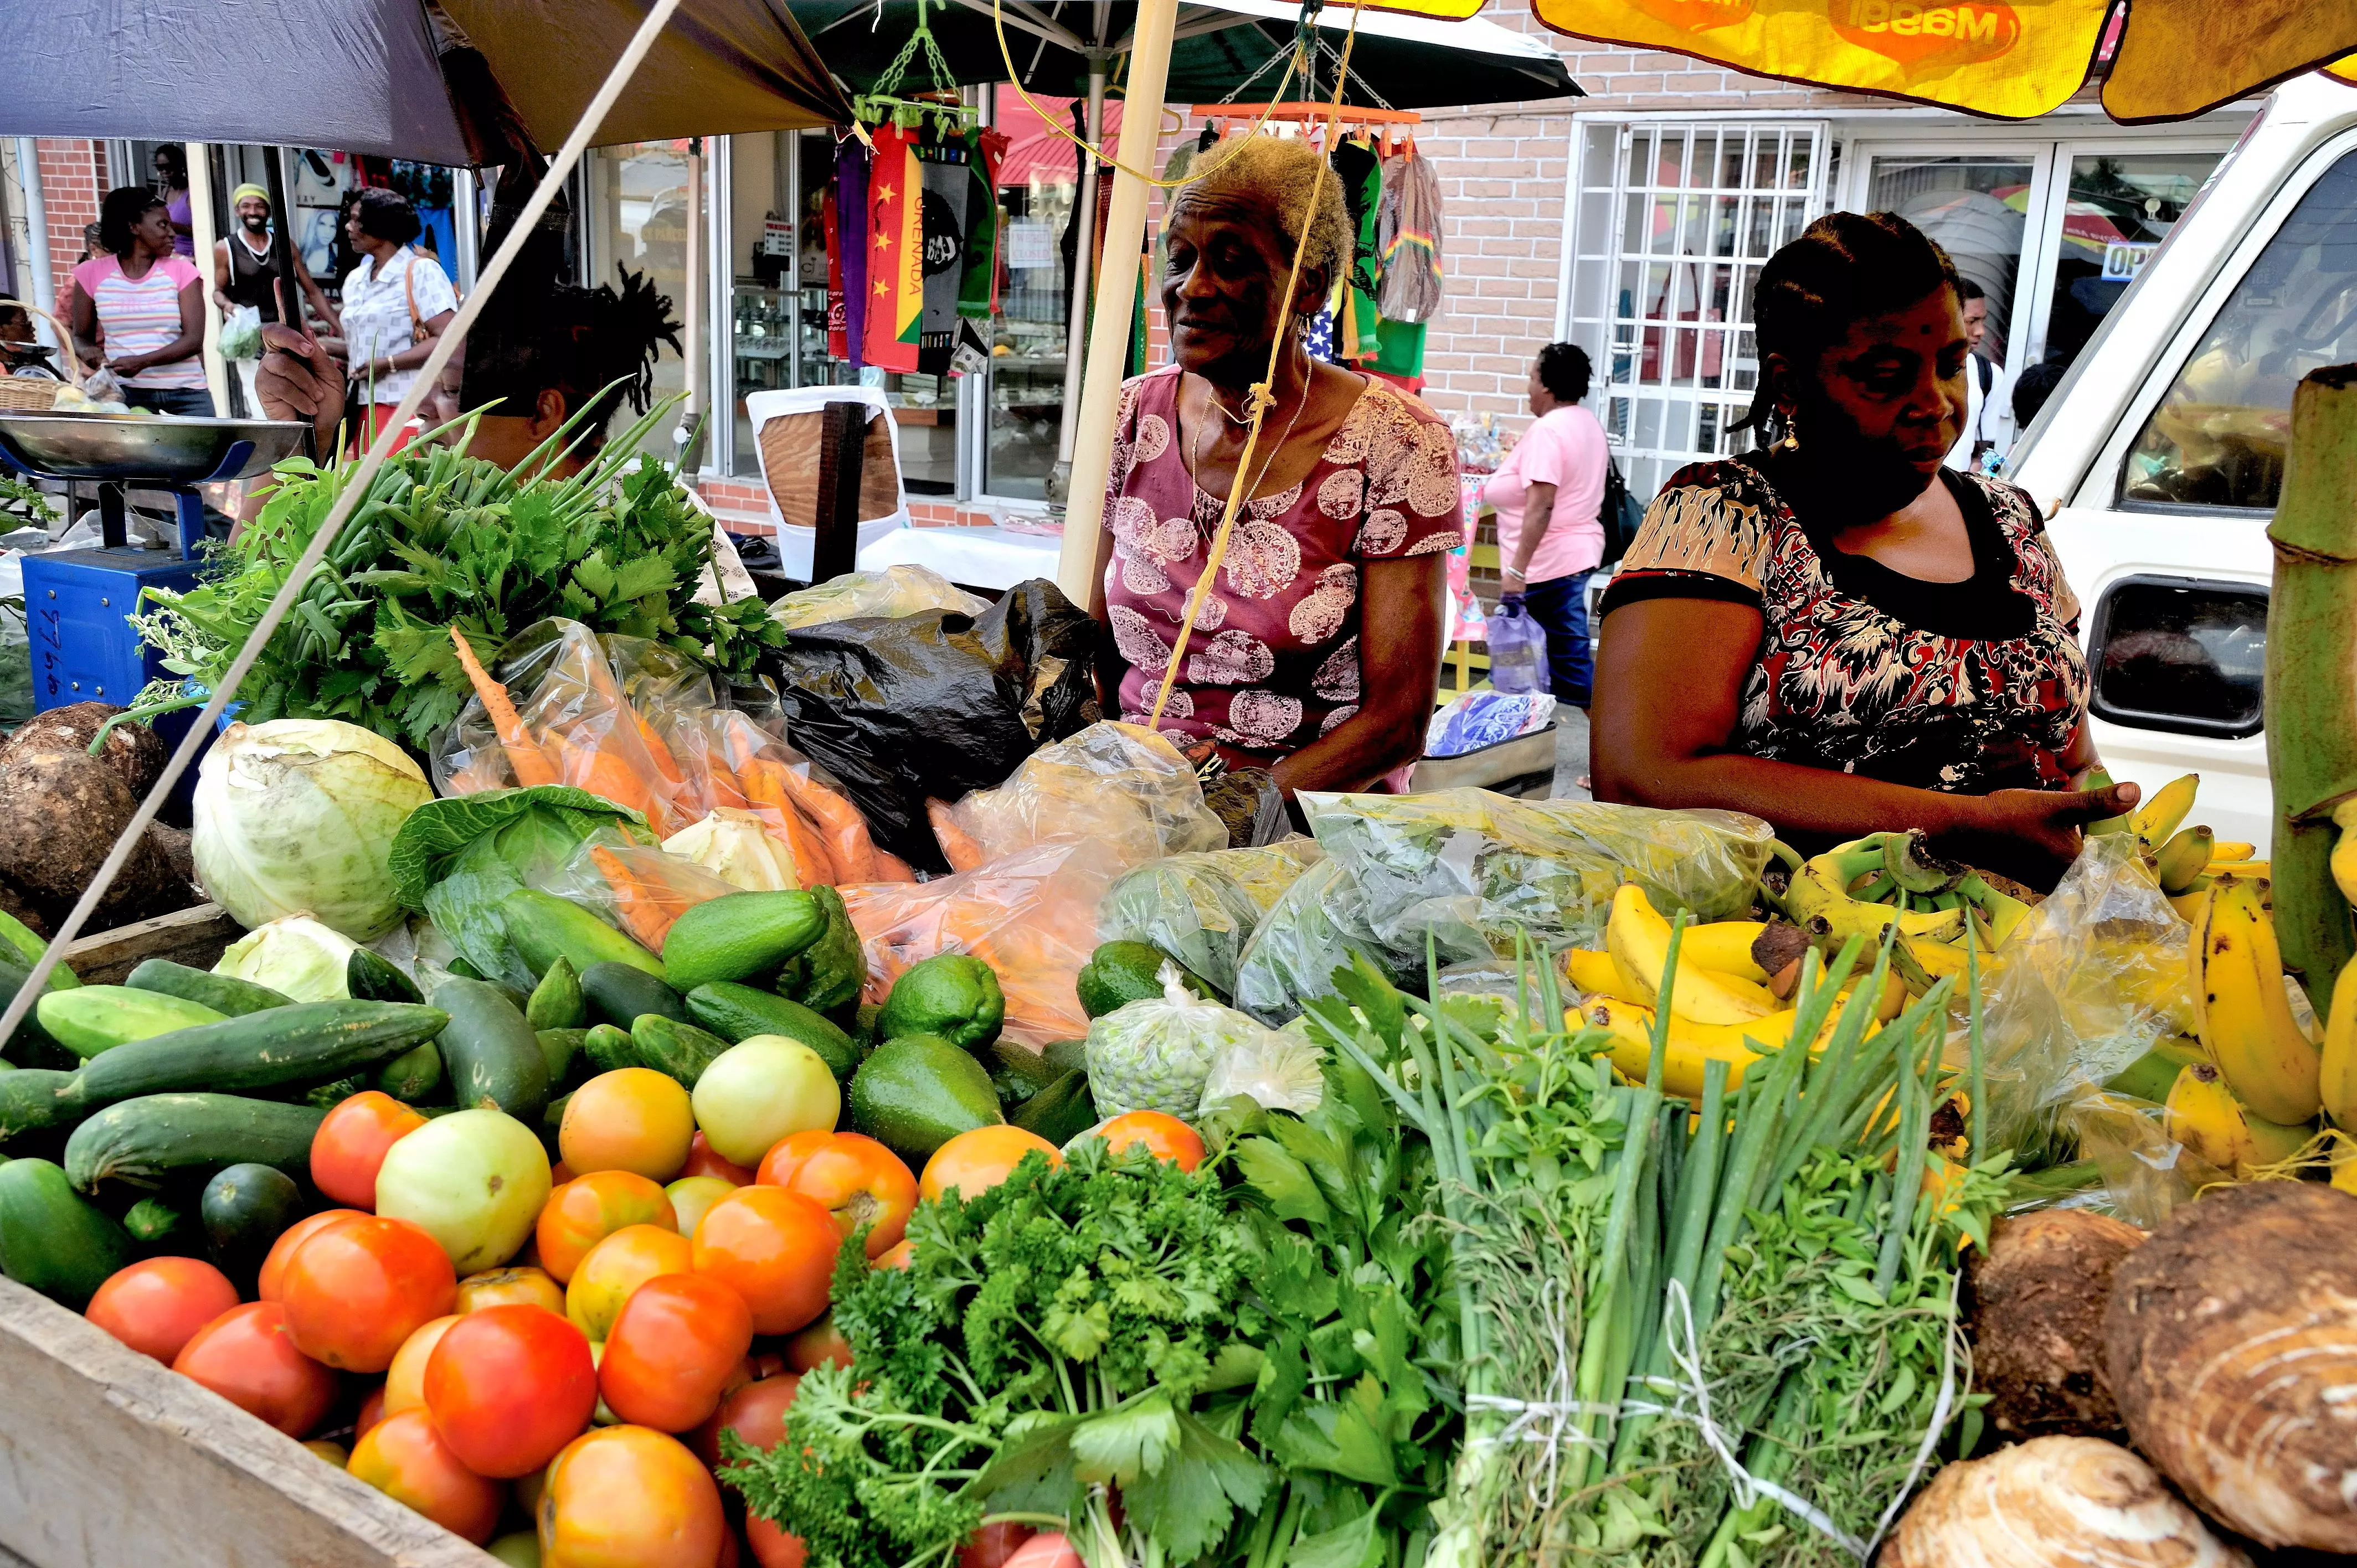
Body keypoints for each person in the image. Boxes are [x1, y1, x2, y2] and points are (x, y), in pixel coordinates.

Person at [1590, 211, 2139, 888]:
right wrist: (1958, 821)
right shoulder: (1723, 514)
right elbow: (1644, 774)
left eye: (1950, 366)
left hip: (2022, 958)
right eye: (1885, 376)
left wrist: (2109, 836)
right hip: (1796, 958)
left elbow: (2073, 753)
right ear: (1790, 384)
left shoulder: (2010, 518)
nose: (1933, 402)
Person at [1092, 132, 1457, 796]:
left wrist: (1241, 808)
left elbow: (1398, 722)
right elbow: (1083, 644)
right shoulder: (1123, 418)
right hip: (1134, 803)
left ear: (1309, 289)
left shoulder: (1397, 442)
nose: (1192, 289)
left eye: (1230, 262)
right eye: (1180, 258)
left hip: (1308, 825)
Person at [1488, 342, 1610, 706]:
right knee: (1545, 668)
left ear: (1545, 385)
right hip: (1571, 558)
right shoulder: (1586, 422)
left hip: (1548, 567)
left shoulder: (1549, 431)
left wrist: (1516, 570)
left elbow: (1542, 505)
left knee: (1553, 669)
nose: (1528, 385)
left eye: (1531, 376)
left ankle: (1610, 754)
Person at [326, 188, 456, 452]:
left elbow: (451, 338)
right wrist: (326, 347)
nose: (349, 227)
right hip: (365, 408)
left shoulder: (421, 271)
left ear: (381, 225)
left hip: (411, 407)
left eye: (356, 219)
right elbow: (365, 347)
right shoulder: (356, 280)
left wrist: (389, 364)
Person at [70, 186, 211, 415]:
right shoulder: (90, 274)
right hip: (126, 395)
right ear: (133, 227)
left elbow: (194, 340)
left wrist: (142, 362)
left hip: (187, 395)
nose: (173, 233)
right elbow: (80, 337)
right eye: (162, 225)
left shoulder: (183, 271)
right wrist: (90, 354)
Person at [212, 183, 339, 419]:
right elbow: (217, 291)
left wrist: (338, 326)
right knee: (261, 406)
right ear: (237, 211)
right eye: (246, 206)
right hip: (250, 341)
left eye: (259, 206)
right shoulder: (226, 248)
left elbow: (311, 290)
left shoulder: (285, 245)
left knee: (299, 404)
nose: (253, 212)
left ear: (269, 212)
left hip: (286, 336)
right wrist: (227, 305)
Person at [1943, 278, 2013, 473]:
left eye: (1983, 320)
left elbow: (1984, 448)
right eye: (1972, 321)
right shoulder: (1917, 368)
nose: (1981, 331)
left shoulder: (1989, 374)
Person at [152, 144, 195, 259]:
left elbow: (203, 230)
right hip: (170, 256)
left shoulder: (193, 193)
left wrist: (175, 227)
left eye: (169, 167)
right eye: (160, 168)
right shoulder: (164, 193)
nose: (165, 171)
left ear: (180, 166)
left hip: (191, 256)